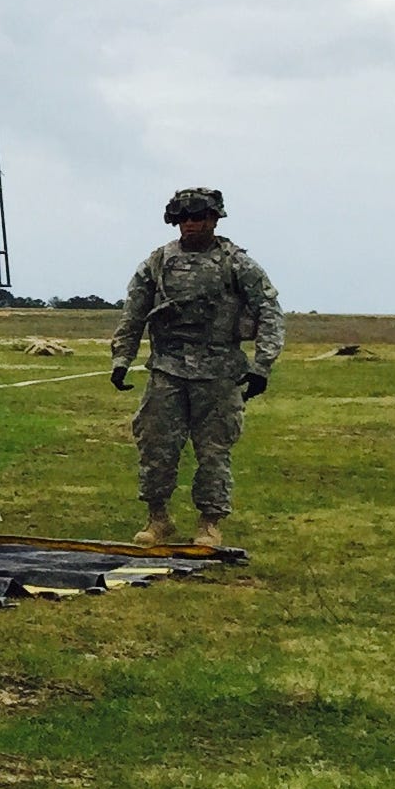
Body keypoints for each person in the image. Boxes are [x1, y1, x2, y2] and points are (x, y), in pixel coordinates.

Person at [108, 188, 283, 549]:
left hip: (219, 374)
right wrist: (122, 358)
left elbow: (269, 310)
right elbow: (134, 312)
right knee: (156, 447)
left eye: (199, 217)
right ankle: (158, 519)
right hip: (167, 371)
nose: (190, 224)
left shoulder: (237, 264)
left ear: (214, 219)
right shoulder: (158, 263)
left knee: (213, 451)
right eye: (184, 218)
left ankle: (210, 523)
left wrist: (262, 365)